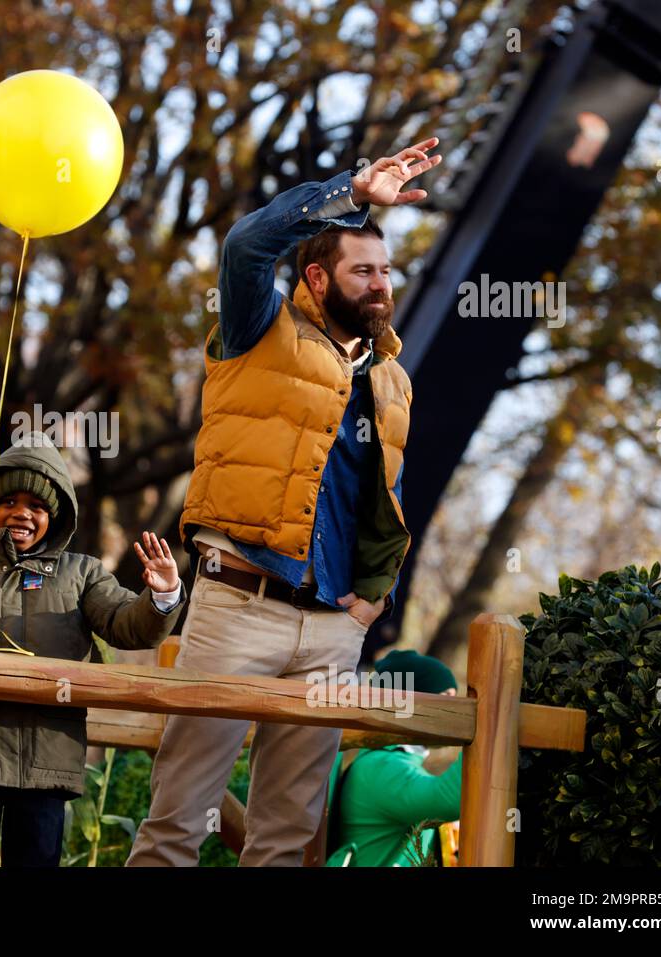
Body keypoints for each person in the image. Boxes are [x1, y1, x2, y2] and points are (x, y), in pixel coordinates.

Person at [127, 138, 442, 866]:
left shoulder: (392, 380)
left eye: (386, 271)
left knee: (286, 840)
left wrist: (372, 601)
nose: (380, 285)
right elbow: (246, 246)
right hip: (238, 608)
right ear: (316, 277)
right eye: (362, 271)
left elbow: (385, 501)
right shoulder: (256, 327)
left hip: (332, 630)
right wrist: (352, 193)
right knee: (178, 823)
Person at [0, 432, 185, 866]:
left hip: (48, 763)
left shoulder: (83, 574)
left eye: (36, 506)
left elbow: (128, 627)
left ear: (54, 516)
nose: (22, 513)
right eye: (9, 501)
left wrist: (163, 595)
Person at [326, 650, 462, 867]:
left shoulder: (382, 760)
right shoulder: (382, 767)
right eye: (446, 698)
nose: (459, 711)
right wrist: (491, 726)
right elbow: (450, 801)